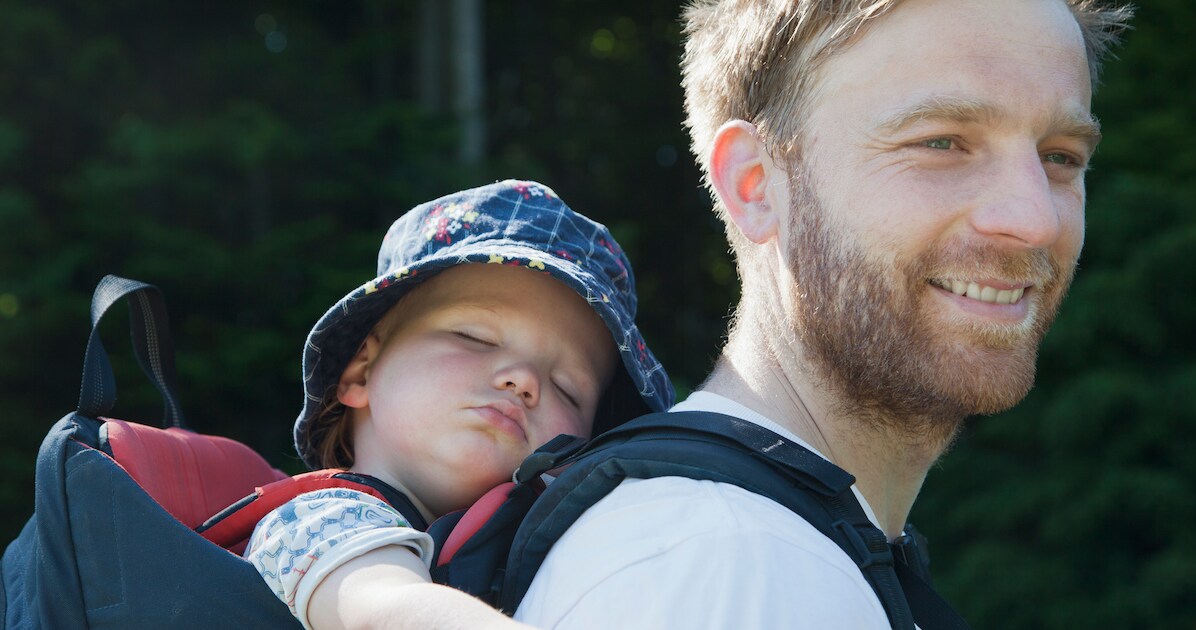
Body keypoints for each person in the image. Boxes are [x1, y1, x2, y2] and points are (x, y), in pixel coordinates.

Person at [514, 0, 1132, 627]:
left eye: (1061, 157)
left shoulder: (797, 552)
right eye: (942, 142)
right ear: (755, 182)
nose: (1035, 221)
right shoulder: (726, 567)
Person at [244, 179, 673, 630]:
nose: (523, 380)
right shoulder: (319, 520)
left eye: (569, 387)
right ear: (360, 373)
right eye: (475, 337)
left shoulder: (562, 558)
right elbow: (387, 610)